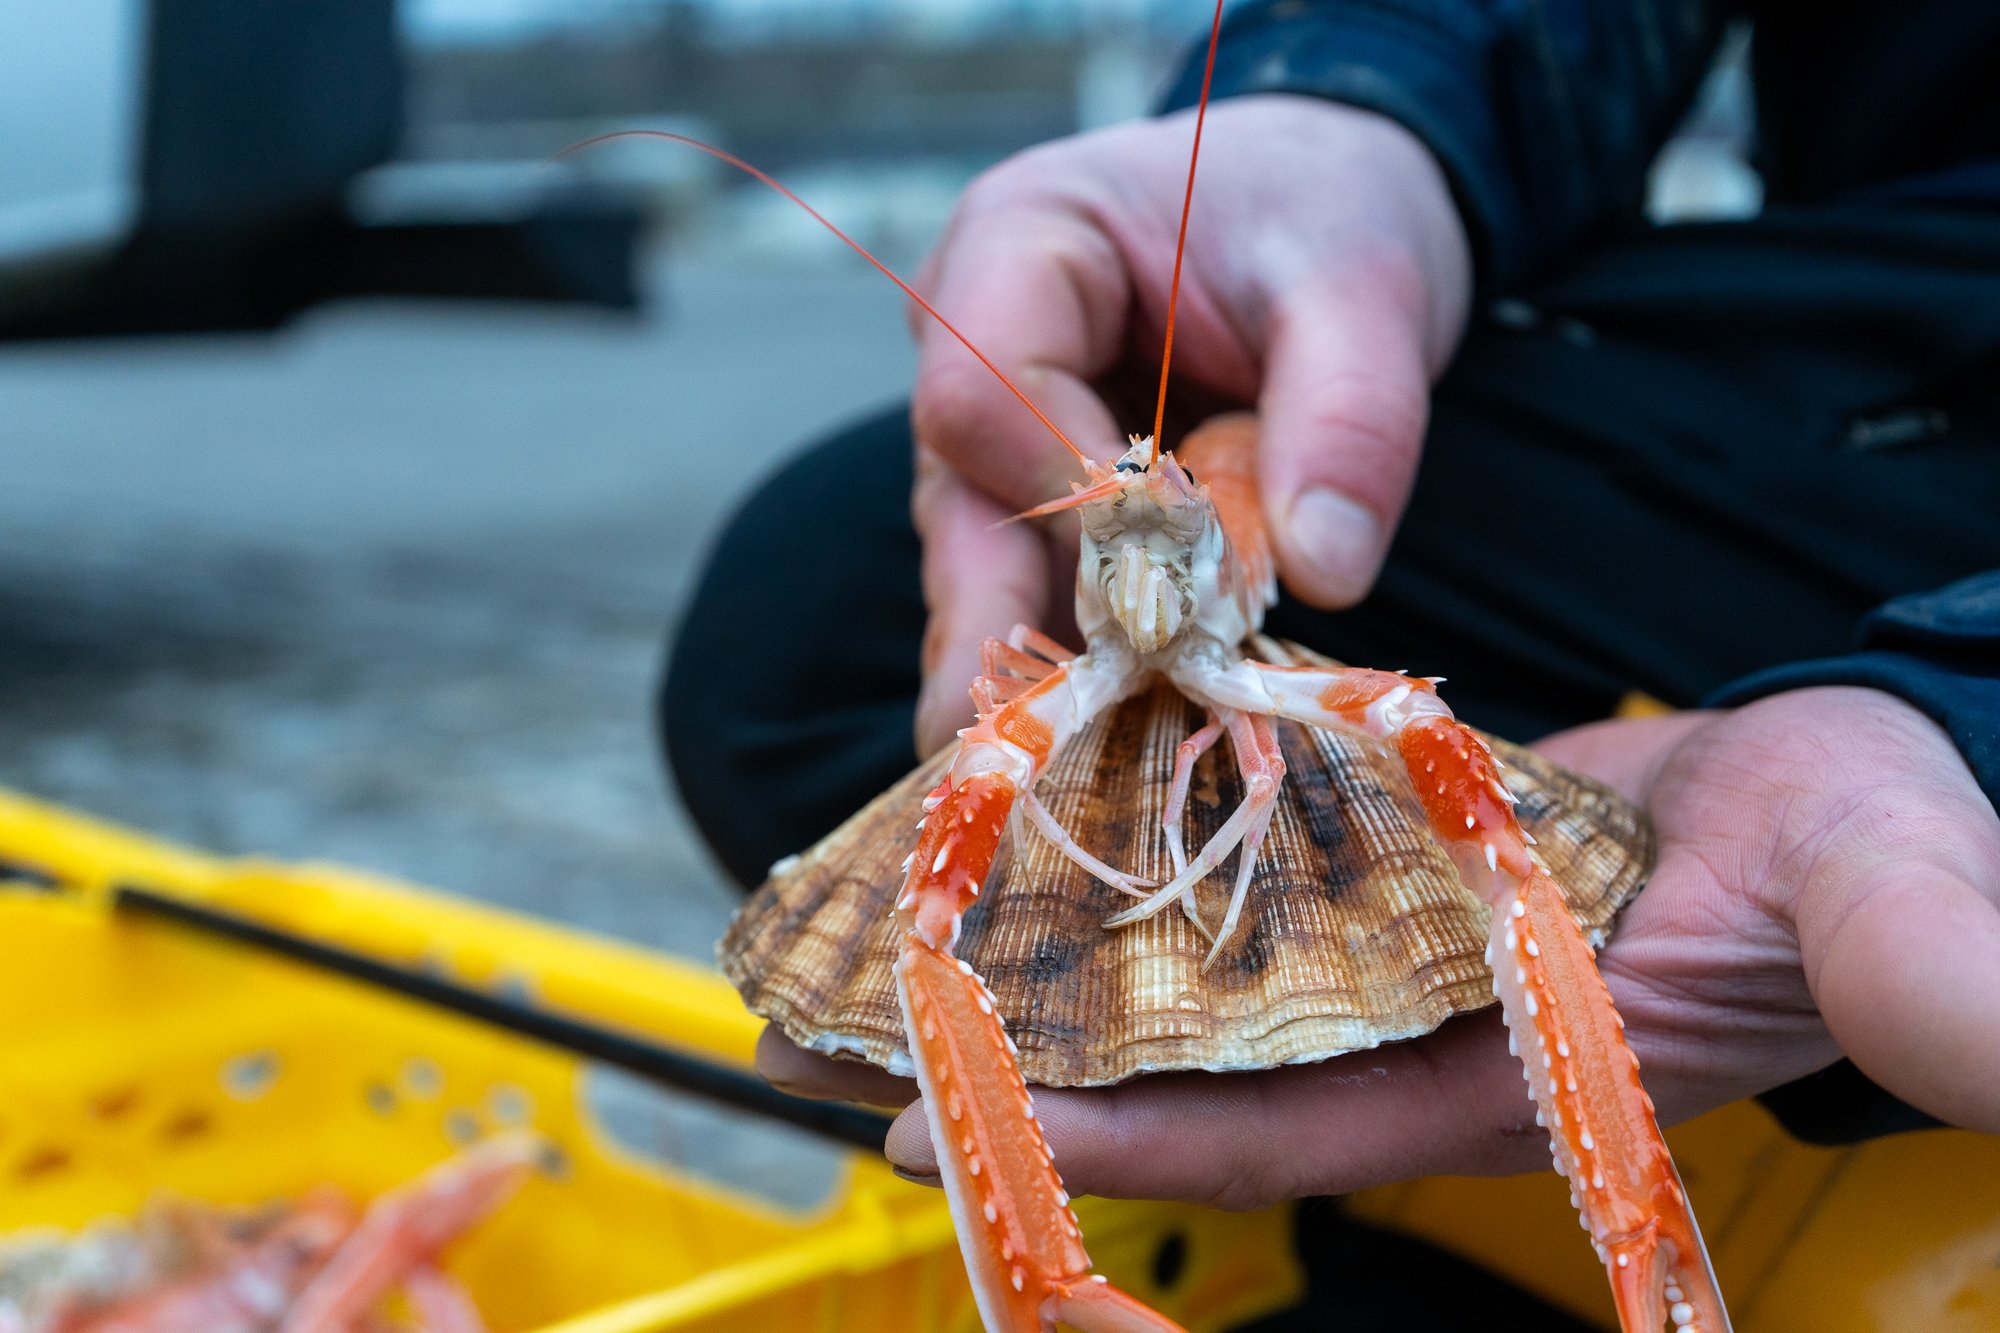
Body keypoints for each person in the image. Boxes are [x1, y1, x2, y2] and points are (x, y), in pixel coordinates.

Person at [665, 0, 2000, 1319]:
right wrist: (1358, 103)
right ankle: (1094, 1245)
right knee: (816, 608)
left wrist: (1959, 705)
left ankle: (1602, 1198)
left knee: (1428, 746)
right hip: (1878, 248)